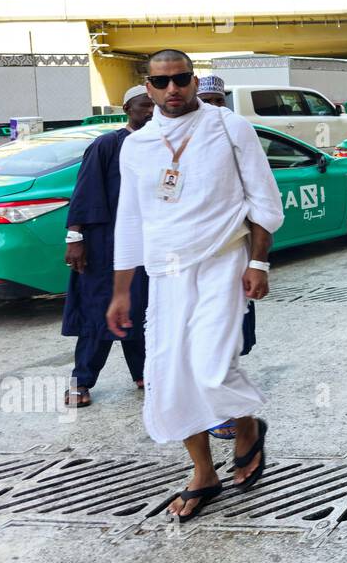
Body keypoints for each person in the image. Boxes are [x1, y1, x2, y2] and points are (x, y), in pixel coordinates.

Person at [107, 50, 285, 521]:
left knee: (210, 369)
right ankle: (202, 473)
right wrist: (122, 290)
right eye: (162, 82)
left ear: (192, 80)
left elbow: (263, 200)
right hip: (165, 273)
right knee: (170, 376)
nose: (173, 89)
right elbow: (130, 219)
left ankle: (246, 426)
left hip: (222, 262)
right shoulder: (136, 146)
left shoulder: (228, 127)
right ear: (147, 87)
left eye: (182, 79)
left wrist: (260, 263)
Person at [61, 86, 155, 407]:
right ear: (127, 107)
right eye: (144, 105)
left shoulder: (159, 145)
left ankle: (144, 373)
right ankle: (81, 382)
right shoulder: (107, 145)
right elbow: (84, 192)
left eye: (154, 105)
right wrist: (75, 238)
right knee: (98, 313)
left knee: (142, 310)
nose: (151, 111)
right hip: (104, 245)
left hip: (145, 245)